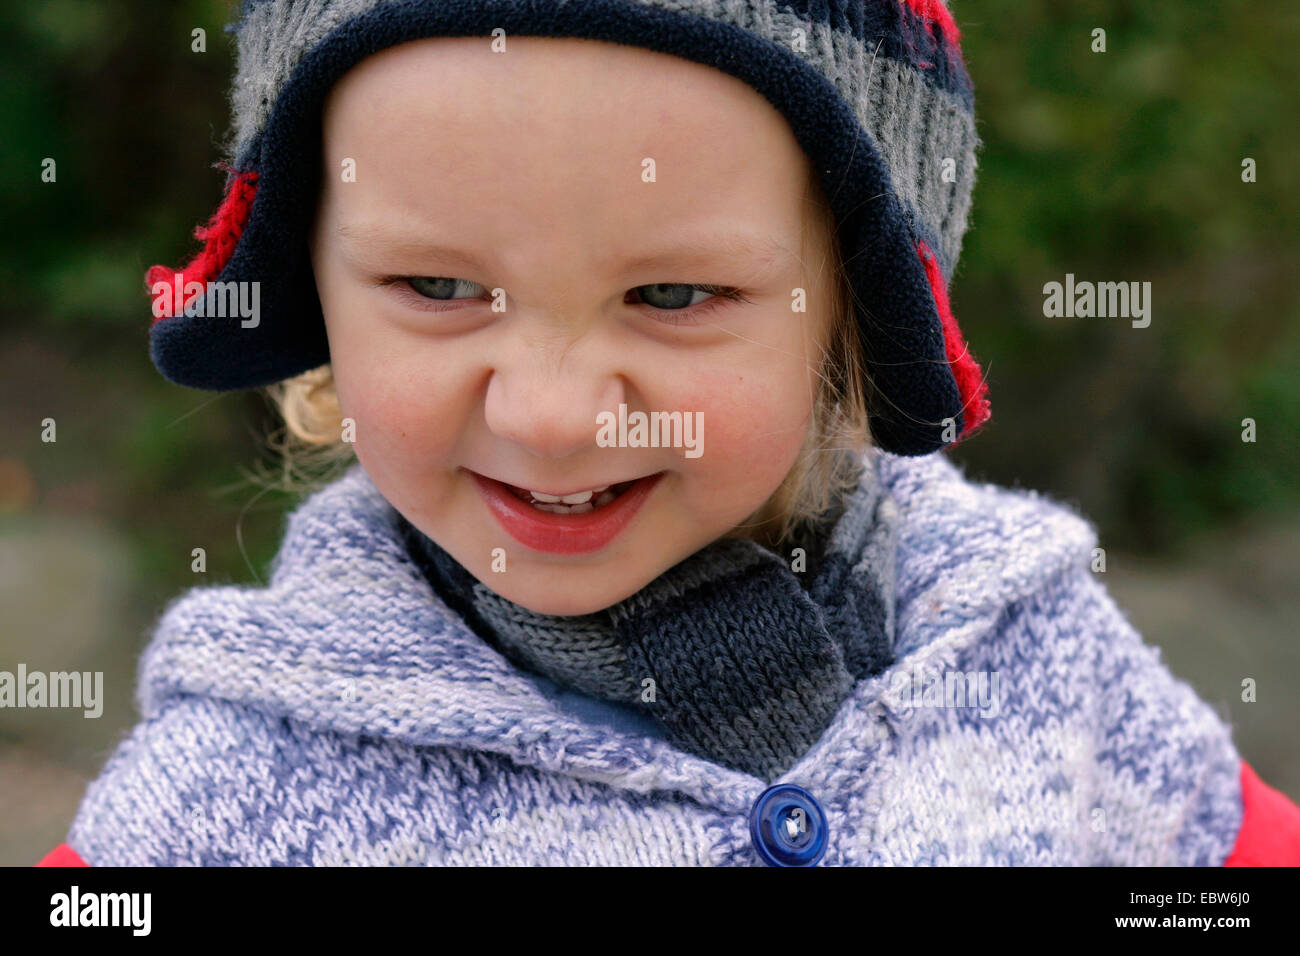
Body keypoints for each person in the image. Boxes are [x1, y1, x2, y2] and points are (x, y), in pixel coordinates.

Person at [40, 0, 1300, 866]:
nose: (550, 412)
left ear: (853, 311)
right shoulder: (237, 790)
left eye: (673, 296)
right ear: (311, 287)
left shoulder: (1022, 642)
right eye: (437, 288)